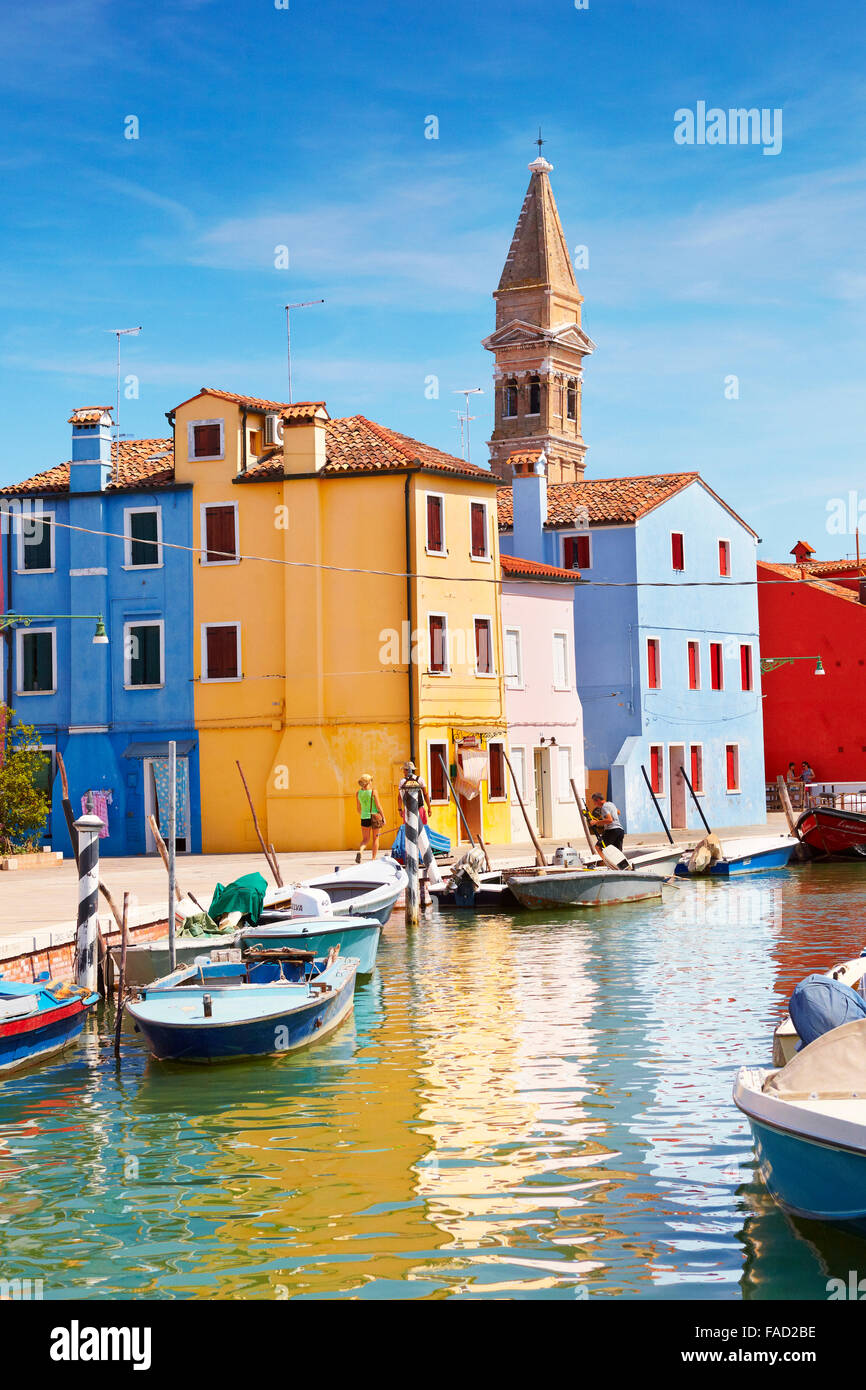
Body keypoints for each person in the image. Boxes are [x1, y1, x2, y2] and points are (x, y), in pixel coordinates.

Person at [355, 774, 383, 863]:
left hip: (364, 817)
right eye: (371, 780)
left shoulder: (358, 793)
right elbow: (378, 806)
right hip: (374, 816)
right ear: (368, 782)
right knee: (375, 838)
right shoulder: (373, 792)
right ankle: (373, 858)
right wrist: (383, 817)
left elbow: (358, 808)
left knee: (365, 839)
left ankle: (360, 851)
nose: (372, 782)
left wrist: (363, 814)